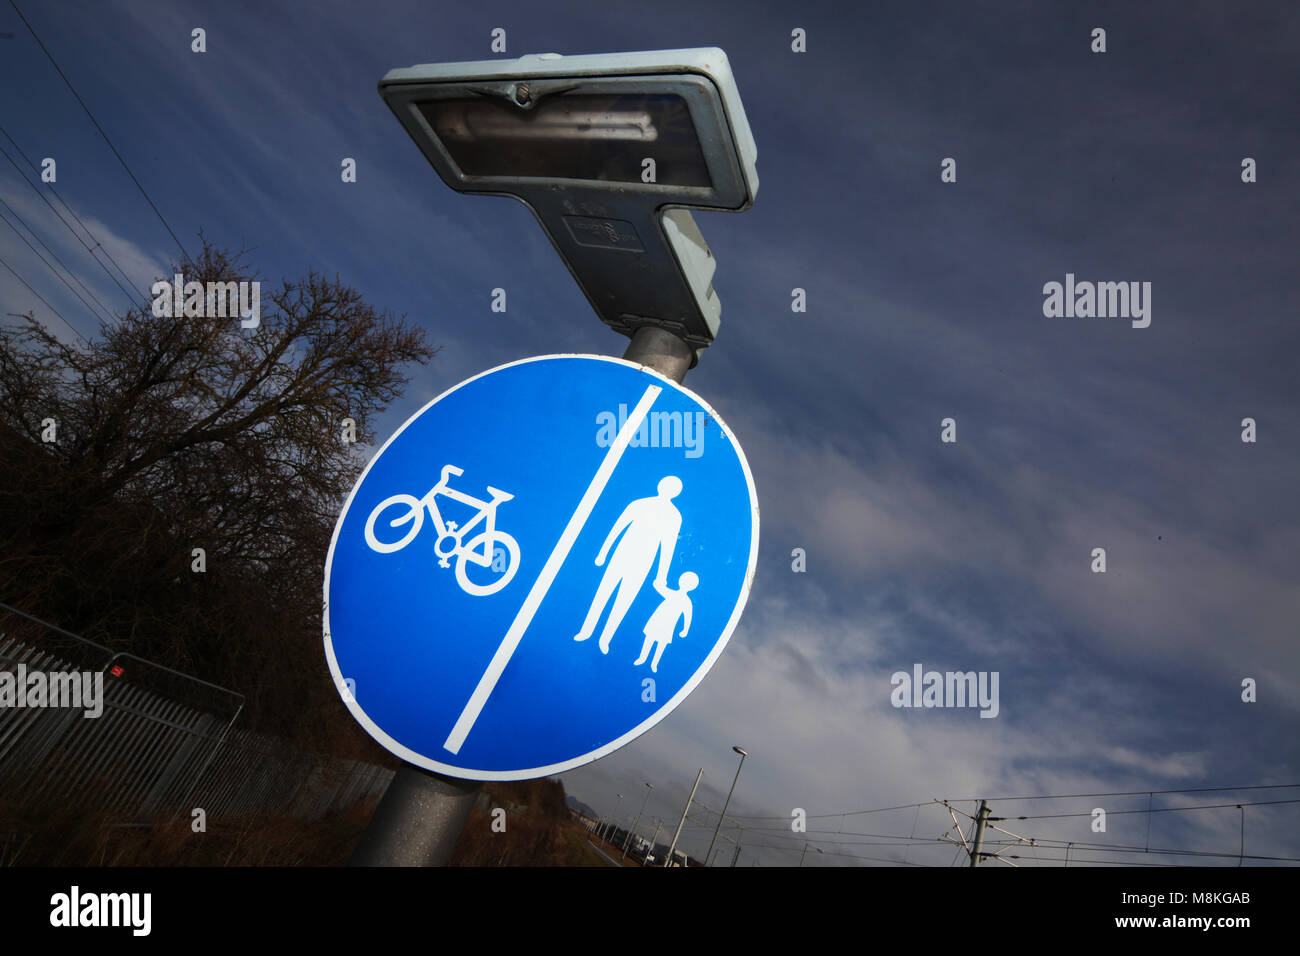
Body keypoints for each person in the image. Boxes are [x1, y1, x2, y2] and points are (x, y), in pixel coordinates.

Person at [574, 476, 683, 654]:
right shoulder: (640, 504)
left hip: (643, 562)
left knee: (623, 602)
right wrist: (603, 552)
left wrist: (662, 575)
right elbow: (617, 528)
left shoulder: (674, 517)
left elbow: (668, 547)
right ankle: (586, 631)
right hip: (622, 555)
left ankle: (605, 639)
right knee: (602, 594)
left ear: (676, 493)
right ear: (659, 485)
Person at [633, 571, 698, 673]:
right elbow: (661, 589)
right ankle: (642, 658)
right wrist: (657, 583)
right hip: (657, 620)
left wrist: (685, 630)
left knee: (661, 644)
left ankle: (654, 664)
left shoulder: (686, 601)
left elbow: (688, 616)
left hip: (668, 625)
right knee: (649, 638)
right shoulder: (673, 594)